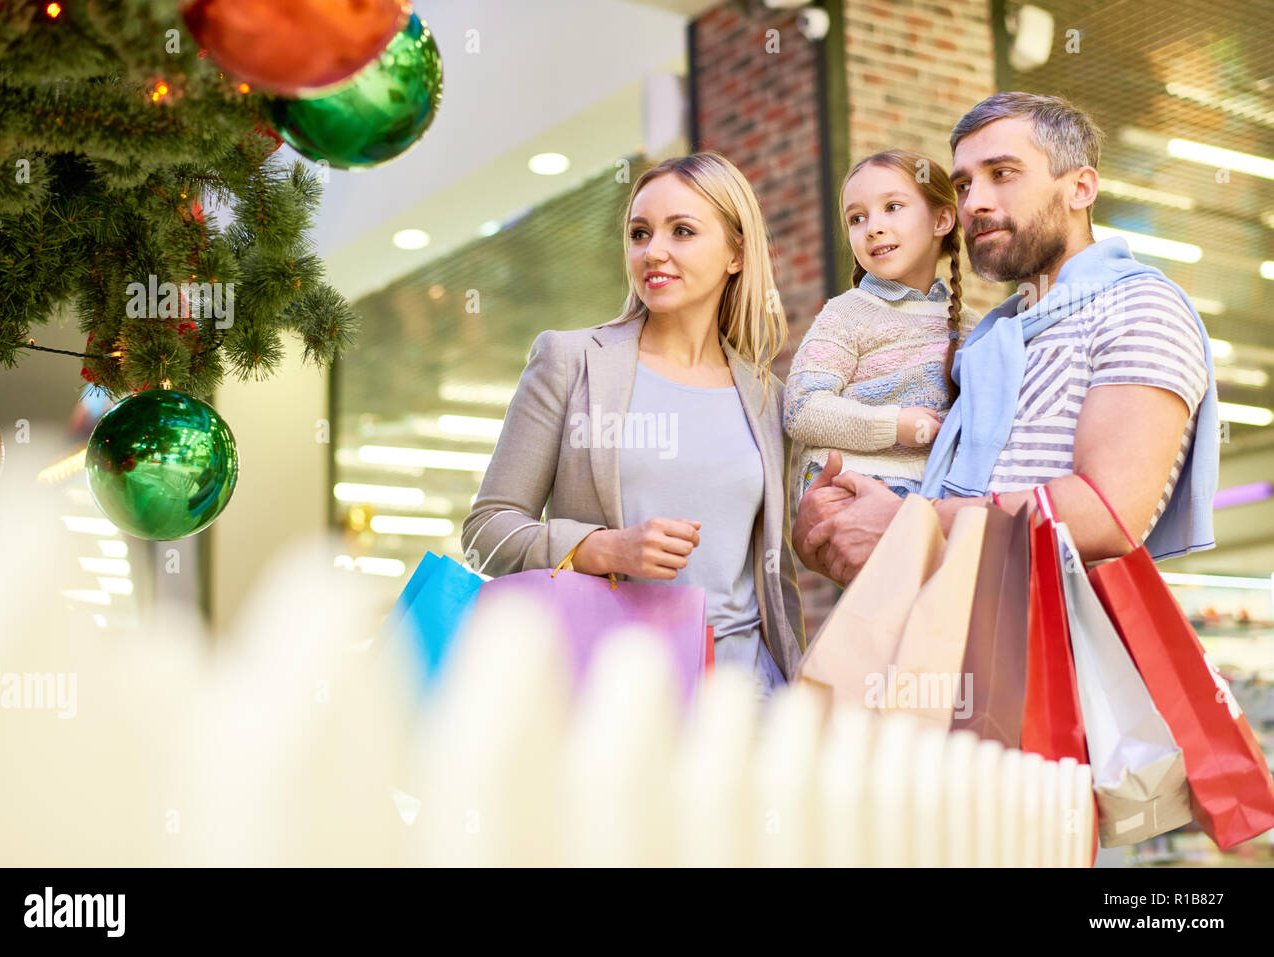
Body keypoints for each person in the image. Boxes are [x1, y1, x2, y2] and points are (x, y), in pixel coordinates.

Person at [794, 91, 1218, 589]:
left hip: (1052, 647)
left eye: (1003, 173)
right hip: (950, 633)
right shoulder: (988, 340)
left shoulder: (1137, 308)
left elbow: (1106, 513)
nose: (975, 202)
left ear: (1080, 188)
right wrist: (824, 527)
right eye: (963, 184)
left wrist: (910, 523)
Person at [461, 151, 806, 699]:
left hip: (746, 704)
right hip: (617, 700)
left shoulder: (768, 399)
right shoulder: (570, 362)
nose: (654, 252)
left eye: (682, 231)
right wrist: (603, 548)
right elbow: (486, 532)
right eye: (640, 233)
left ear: (737, 253)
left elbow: (771, 572)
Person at [784, 149, 982, 506]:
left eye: (892, 207)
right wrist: (895, 426)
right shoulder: (846, 313)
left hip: (935, 500)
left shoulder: (971, 327)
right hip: (850, 489)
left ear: (942, 221)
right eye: (857, 218)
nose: (872, 227)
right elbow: (801, 409)